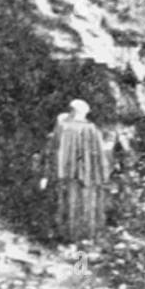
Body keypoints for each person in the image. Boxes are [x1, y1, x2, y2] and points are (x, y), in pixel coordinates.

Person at [42, 99, 114, 243]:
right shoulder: (91, 128)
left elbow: (53, 150)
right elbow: (101, 153)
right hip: (86, 174)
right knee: (84, 202)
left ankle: (65, 236)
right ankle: (83, 237)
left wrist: (48, 173)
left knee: (66, 202)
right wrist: (110, 143)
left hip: (65, 173)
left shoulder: (63, 126)